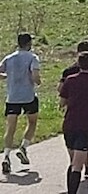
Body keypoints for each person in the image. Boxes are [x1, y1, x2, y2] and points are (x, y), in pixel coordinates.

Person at [58, 52, 88, 194]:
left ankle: (71, 189)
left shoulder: (70, 80)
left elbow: (62, 102)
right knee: (77, 165)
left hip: (70, 123)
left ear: (78, 64)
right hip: (87, 124)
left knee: (73, 161)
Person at [1, 33, 40, 176]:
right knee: (32, 122)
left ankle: (6, 156)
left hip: (12, 97)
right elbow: (35, 76)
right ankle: (23, 147)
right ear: (29, 44)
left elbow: (0, 72)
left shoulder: (9, 58)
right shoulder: (33, 58)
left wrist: (8, 77)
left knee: (10, 127)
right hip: (28, 96)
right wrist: (38, 81)